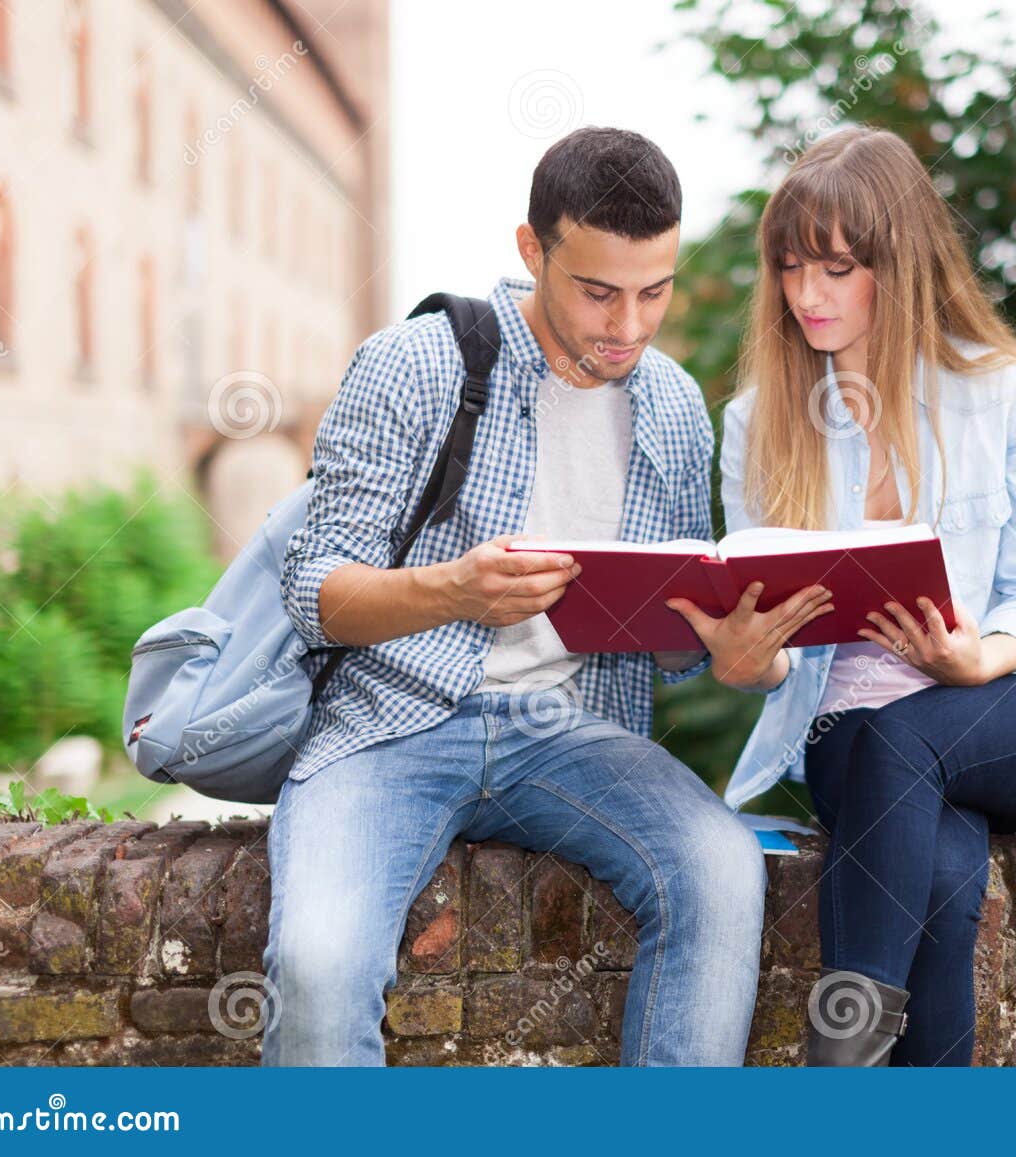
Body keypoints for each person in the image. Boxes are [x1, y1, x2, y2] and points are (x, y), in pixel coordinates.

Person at [264, 127, 799, 1067]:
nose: (628, 327)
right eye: (598, 291)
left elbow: (662, 635)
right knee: (316, 962)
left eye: (654, 292)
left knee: (722, 869)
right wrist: (452, 591)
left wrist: (727, 653)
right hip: (391, 723)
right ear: (531, 250)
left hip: (573, 733)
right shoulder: (417, 363)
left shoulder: (673, 405)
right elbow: (316, 594)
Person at [666, 125, 1016, 1066]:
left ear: (900, 261)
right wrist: (750, 663)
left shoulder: (1008, 394)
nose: (806, 295)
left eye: (836, 269)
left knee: (905, 734)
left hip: (1009, 710)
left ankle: (837, 1071)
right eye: (791, 268)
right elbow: (774, 642)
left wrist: (972, 657)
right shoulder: (757, 423)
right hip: (848, 734)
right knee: (946, 885)